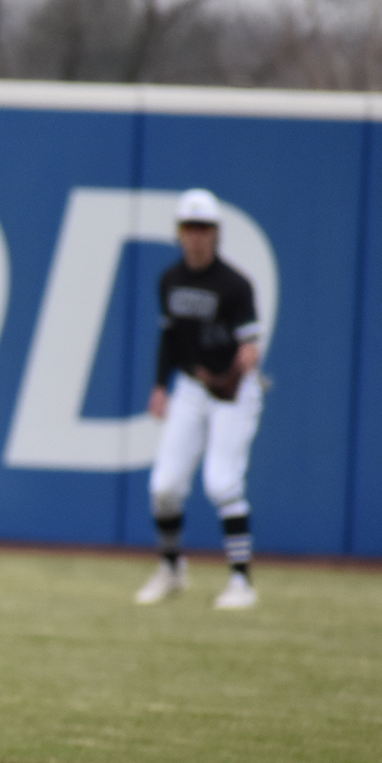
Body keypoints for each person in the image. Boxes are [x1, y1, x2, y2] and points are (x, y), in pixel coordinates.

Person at [135, 188, 262, 610]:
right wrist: (159, 386)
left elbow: (250, 344)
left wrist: (245, 361)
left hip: (231, 391)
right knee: (164, 486)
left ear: (216, 232)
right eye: (189, 227)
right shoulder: (170, 280)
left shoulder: (235, 284)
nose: (196, 235)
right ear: (178, 232)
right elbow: (169, 338)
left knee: (222, 482)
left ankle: (241, 582)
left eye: (203, 227)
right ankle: (172, 569)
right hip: (191, 387)